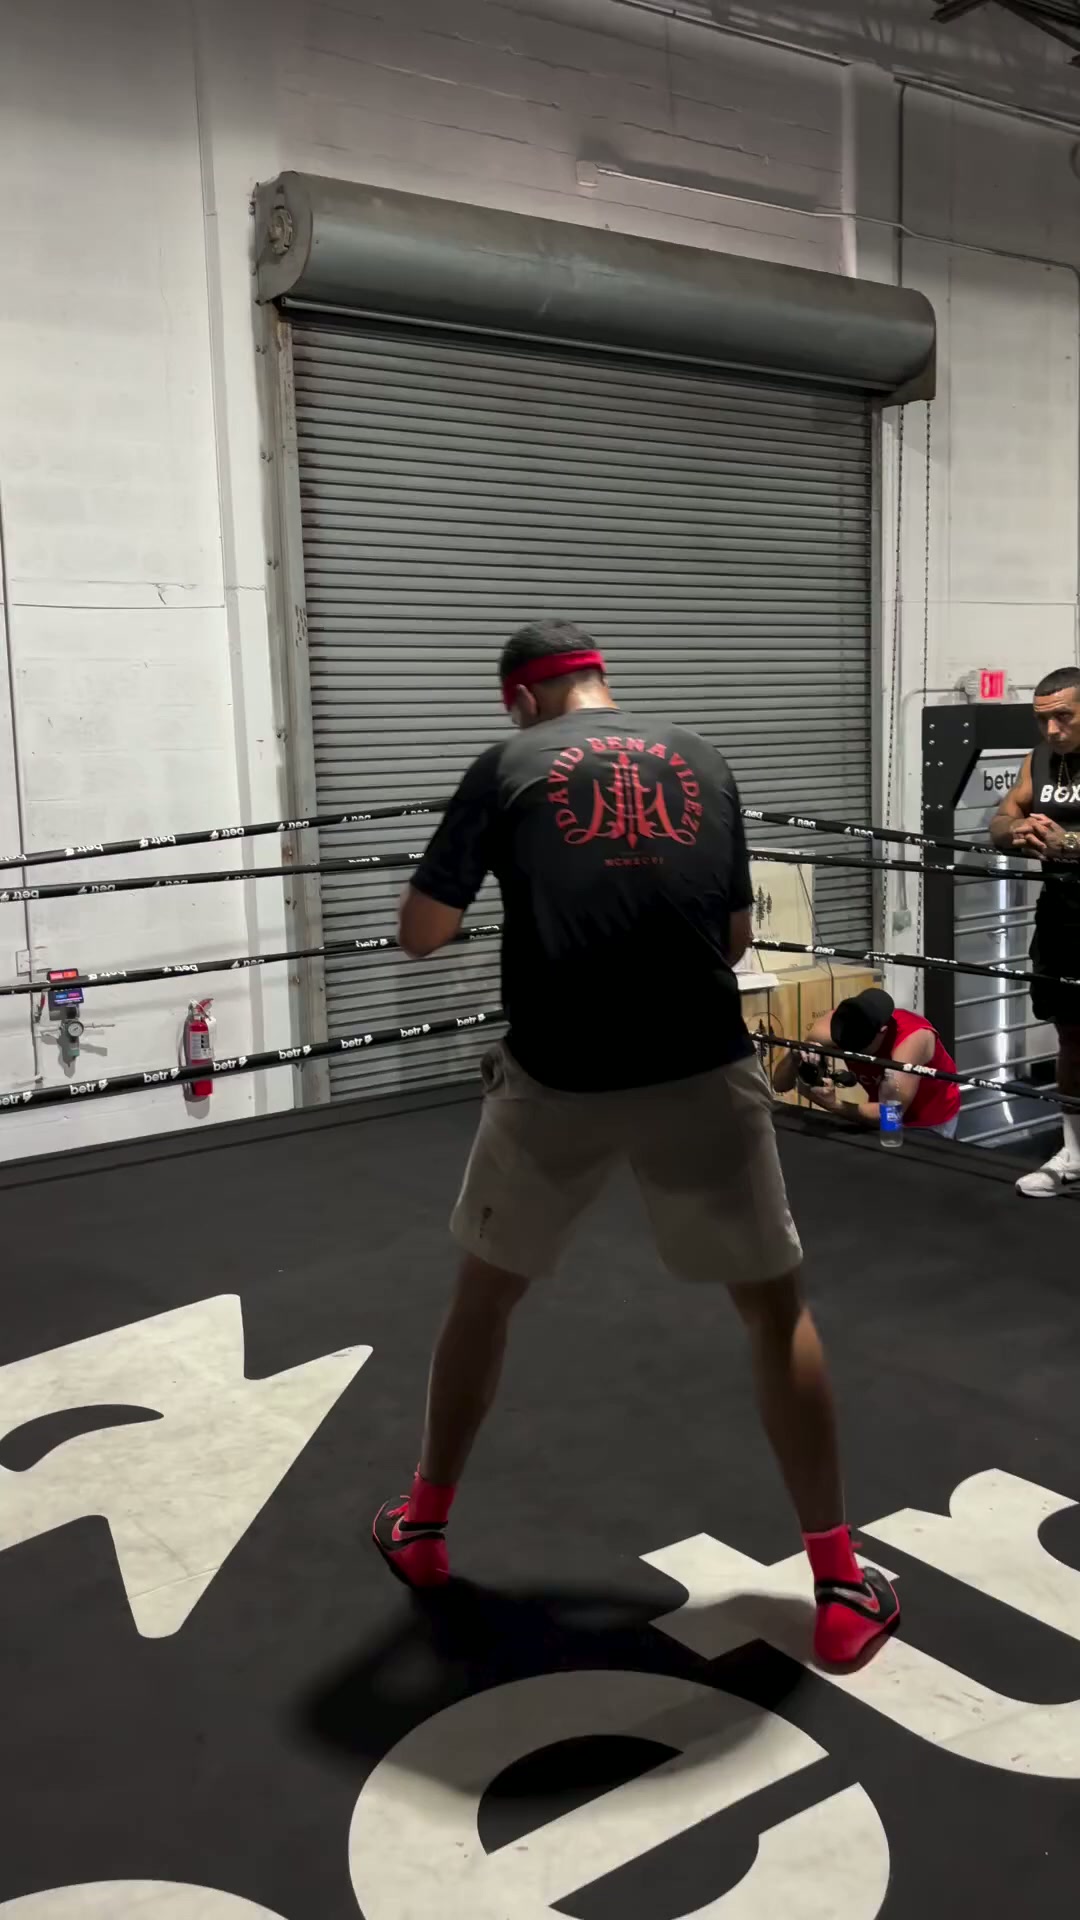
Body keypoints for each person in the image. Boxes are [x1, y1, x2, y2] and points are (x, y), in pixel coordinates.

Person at [373, 618, 899, 1668]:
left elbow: (421, 933)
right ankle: (840, 1584)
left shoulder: (508, 762)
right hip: (700, 1069)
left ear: (523, 698)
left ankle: (424, 1530)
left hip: (558, 1077)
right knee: (772, 1311)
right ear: (600, 681)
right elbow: (738, 936)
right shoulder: (703, 759)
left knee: (485, 1295)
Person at [989, 666, 1080, 1197]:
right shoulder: (1040, 760)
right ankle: (1074, 1152)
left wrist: (1070, 843)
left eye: (1064, 717)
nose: (1052, 730)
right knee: (1071, 1037)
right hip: (1063, 919)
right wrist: (1015, 830)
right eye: (1042, 720)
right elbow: (1001, 817)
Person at [772, 987, 962, 1138]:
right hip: (882, 1105)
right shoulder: (830, 1030)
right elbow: (779, 1084)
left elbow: (890, 1118)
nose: (853, 1053)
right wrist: (794, 1056)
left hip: (928, 1117)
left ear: (883, 1031)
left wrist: (834, 1104)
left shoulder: (911, 1042)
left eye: (861, 1050)